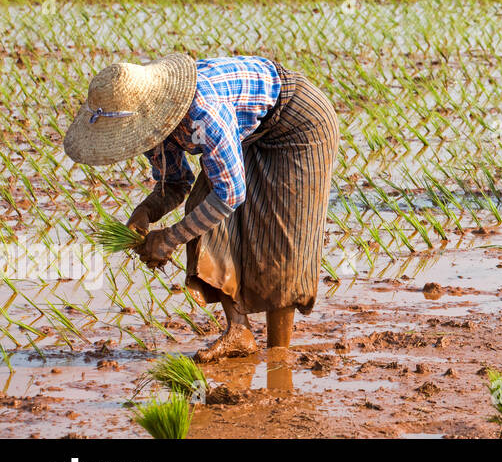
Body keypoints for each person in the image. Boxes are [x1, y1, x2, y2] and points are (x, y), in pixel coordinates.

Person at [63, 53, 339, 362]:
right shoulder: (152, 129)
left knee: (282, 240)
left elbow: (231, 194)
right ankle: (239, 332)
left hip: (299, 123)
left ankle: (278, 358)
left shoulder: (203, 112)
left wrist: (169, 239)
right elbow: (176, 183)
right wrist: (145, 212)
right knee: (201, 209)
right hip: (249, 131)